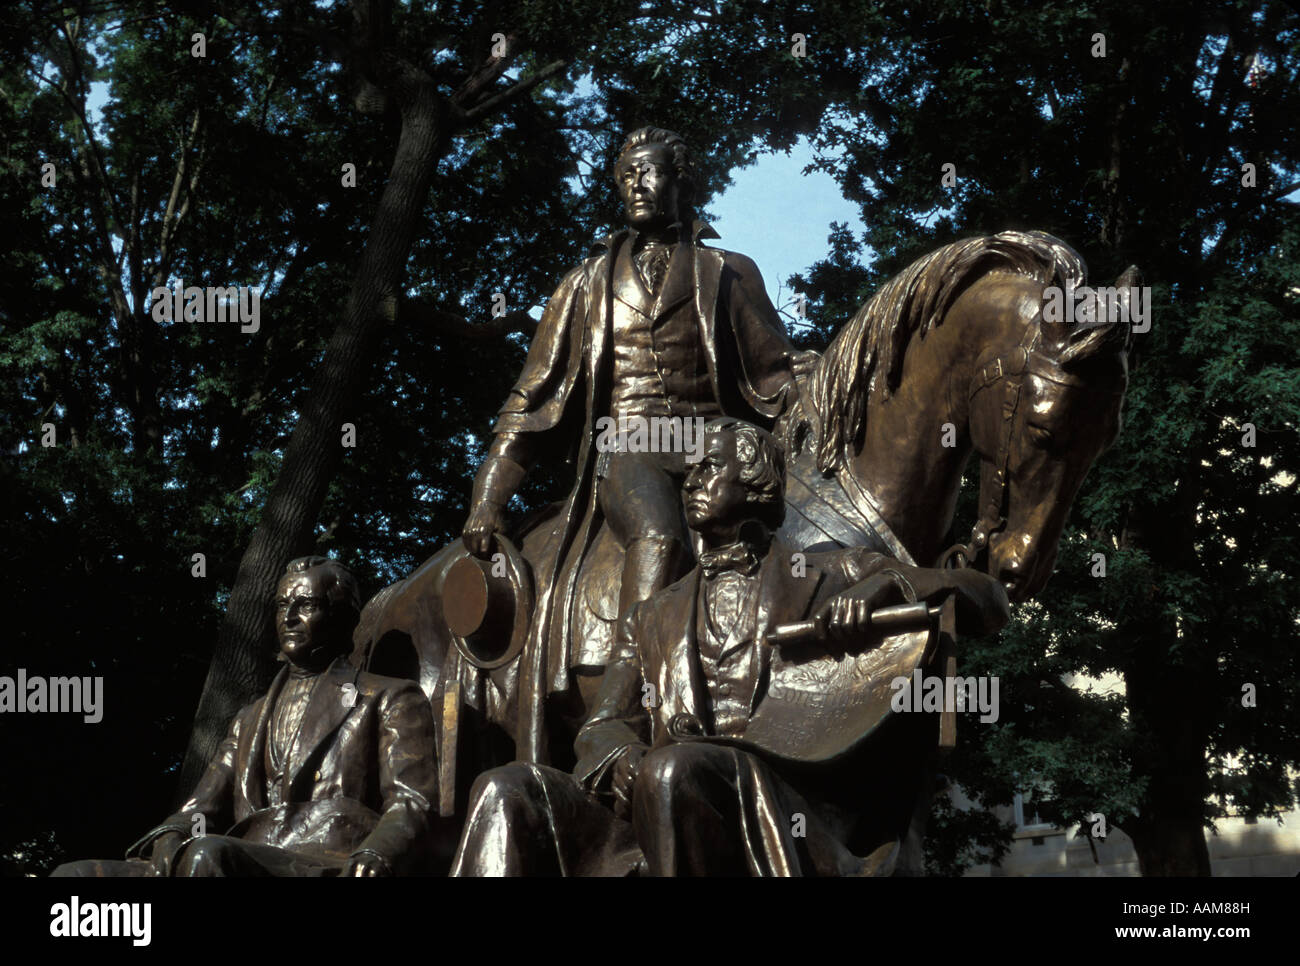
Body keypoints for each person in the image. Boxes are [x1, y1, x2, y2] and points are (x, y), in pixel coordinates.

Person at [451, 419, 1008, 875]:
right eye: (688, 472)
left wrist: (890, 584)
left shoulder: (827, 571)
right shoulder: (650, 615)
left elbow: (987, 599)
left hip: (782, 804)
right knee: (505, 789)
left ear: (758, 485)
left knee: (673, 771)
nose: (691, 481)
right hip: (652, 807)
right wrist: (620, 757)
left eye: (710, 469)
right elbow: (602, 726)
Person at [459, 126, 817, 760]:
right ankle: (615, 710)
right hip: (630, 443)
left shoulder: (727, 273)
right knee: (658, 536)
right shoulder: (584, 284)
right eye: (627, 177)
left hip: (720, 444)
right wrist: (487, 498)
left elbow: (775, 374)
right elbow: (529, 401)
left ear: (682, 181)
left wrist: (819, 382)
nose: (638, 186)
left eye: (651, 174)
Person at [52, 557, 438, 877]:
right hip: (238, 853)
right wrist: (172, 833)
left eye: (306, 605)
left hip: (324, 858)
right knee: (76, 875)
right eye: (282, 606)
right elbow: (201, 808)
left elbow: (411, 803)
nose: (288, 617)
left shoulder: (388, 696)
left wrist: (376, 856)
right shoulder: (249, 717)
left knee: (207, 855)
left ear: (342, 617)